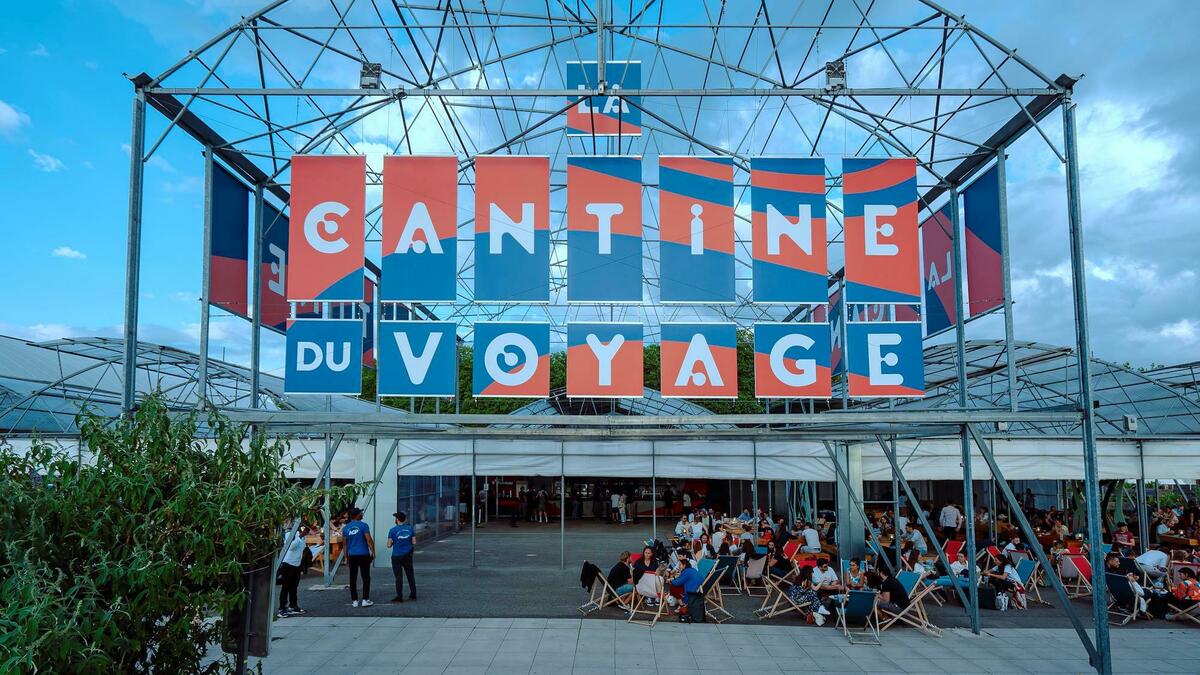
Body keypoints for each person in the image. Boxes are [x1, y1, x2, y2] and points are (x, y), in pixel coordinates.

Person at [342, 508, 375, 608]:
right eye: (361, 513)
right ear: (357, 515)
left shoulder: (346, 528)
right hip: (363, 554)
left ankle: (354, 600)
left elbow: (344, 544)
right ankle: (365, 599)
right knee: (365, 577)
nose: (362, 514)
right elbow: (369, 540)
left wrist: (346, 557)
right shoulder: (364, 525)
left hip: (352, 555)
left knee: (353, 578)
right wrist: (373, 552)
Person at [277, 526, 307, 618]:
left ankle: (293, 606)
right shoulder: (289, 534)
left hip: (296, 565)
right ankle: (282, 609)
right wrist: (300, 536)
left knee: (294, 587)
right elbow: (290, 547)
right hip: (287, 564)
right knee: (285, 587)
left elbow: (302, 548)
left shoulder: (299, 534)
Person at [387, 511, 416, 603]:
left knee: (398, 577)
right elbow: (414, 542)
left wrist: (394, 542)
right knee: (410, 574)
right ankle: (413, 594)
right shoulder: (410, 528)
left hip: (396, 556)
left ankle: (399, 596)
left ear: (397, 519)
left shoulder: (392, 530)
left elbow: (388, 545)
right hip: (407, 555)